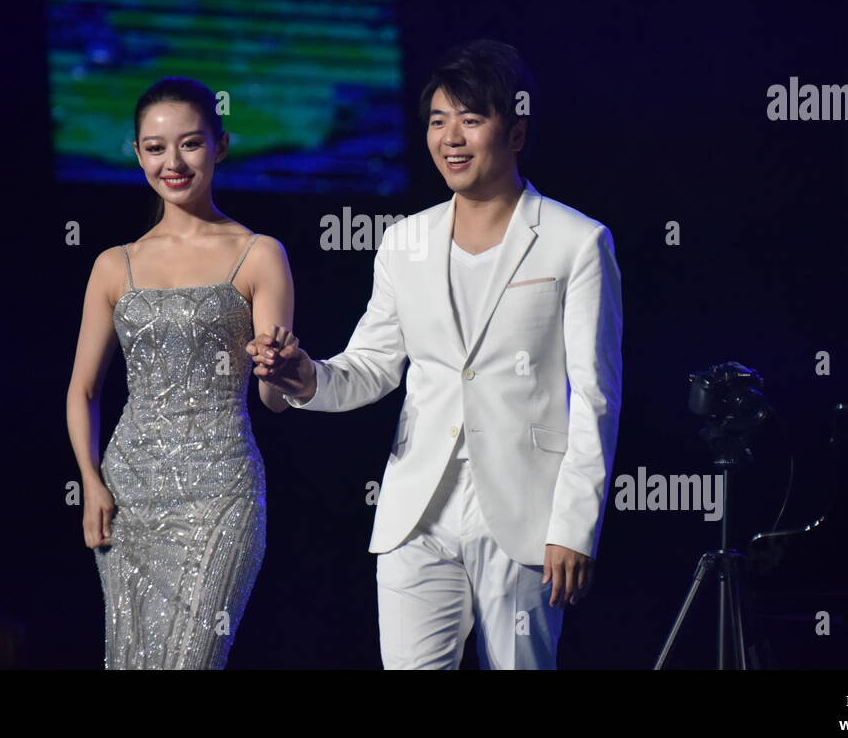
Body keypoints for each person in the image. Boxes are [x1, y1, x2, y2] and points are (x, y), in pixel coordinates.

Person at [248, 40, 623, 669]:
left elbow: (594, 396)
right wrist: (304, 375)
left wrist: (574, 525)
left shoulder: (576, 242)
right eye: (438, 121)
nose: (451, 138)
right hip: (415, 514)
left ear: (517, 132)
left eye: (472, 120)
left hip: (525, 516)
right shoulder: (404, 241)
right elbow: (370, 366)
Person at [65, 77, 295, 669]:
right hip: (130, 491)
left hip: (221, 490)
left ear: (220, 146)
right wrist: (91, 483)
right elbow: (83, 389)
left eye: (190, 144)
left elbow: (272, 397)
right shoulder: (115, 264)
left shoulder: (259, 253)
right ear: (137, 153)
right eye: (155, 147)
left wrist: (280, 369)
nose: (173, 161)